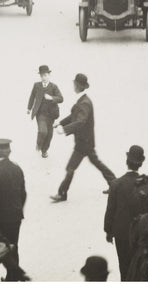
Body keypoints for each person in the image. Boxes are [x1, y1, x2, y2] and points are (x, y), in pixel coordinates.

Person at [50, 73, 115, 202]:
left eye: (75, 84)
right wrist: (60, 123)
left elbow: (80, 122)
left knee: (70, 167)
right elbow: (73, 116)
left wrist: (64, 129)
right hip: (86, 141)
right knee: (97, 163)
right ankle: (114, 185)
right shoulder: (83, 99)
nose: (73, 85)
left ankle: (62, 193)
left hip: (83, 142)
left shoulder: (84, 103)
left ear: (78, 86)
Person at [0, 138, 30, 282]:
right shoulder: (17, 168)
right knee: (14, 246)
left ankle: (14, 276)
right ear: (9, 151)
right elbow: (23, 193)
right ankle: (13, 276)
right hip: (16, 216)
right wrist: (18, 209)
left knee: (5, 247)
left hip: (3, 219)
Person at [103, 145, 147, 279]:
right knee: (139, 265)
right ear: (142, 162)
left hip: (121, 232)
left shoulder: (116, 184)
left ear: (126, 161)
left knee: (124, 265)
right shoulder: (146, 183)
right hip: (140, 232)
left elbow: (110, 210)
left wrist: (108, 231)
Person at [27, 65, 64, 158]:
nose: (43, 78)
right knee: (43, 131)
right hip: (40, 114)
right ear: (40, 76)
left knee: (49, 135)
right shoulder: (36, 85)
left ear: (49, 75)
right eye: (42, 76)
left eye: (45, 75)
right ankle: (38, 145)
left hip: (51, 115)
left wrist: (51, 98)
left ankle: (44, 150)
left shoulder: (54, 87)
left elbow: (61, 98)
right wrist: (29, 108)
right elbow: (32, 97)